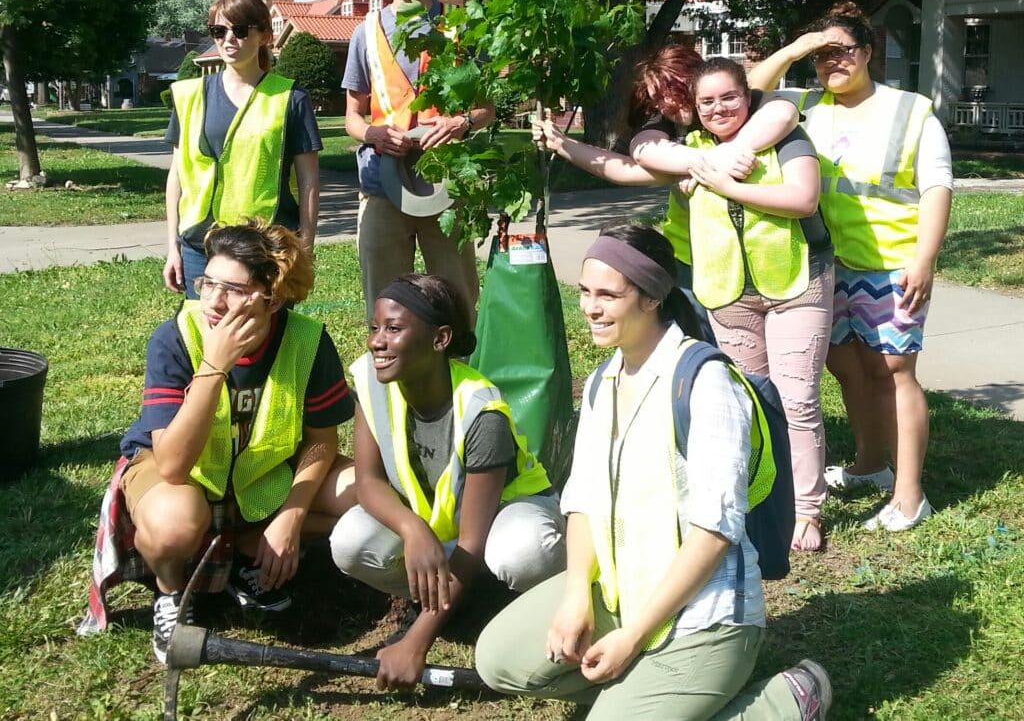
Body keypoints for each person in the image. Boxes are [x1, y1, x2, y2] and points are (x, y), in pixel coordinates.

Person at [475, 223, 831, 721]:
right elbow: (581, 500)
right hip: (621, 592)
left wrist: (632, 636)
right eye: (584, 292)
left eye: (608, 295)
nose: (590, 308)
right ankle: (645, 695)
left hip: (706, 619)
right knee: (498, 661)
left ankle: (784, 701)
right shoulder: (604, 379)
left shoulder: (706, 384)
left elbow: (713, 534)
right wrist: (578, 593)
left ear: (650, 298)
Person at [748, 2, 953, 532]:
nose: (831, 62)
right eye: (823, 55)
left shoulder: (909, 110)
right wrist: (797, 48)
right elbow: (746, 91)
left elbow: (937, 188)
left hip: (892, 264)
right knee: (847, 368)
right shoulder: (805, 105)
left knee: (893, 372)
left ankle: (909, 494)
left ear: (868, 52)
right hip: (825, 264)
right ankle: (870, 466)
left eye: (842, 51)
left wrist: (924, 260)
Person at [116, 220, 356, 662]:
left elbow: (322, 441)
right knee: (175, 521)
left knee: (364, 491)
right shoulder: (175, 337)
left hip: (260, 473)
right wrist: (213, 367)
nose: (212, 300)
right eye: (207, 282)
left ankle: (248, 554)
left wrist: (292, 516)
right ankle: (170, 594)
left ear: (274, 297)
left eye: (233, 289)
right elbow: (171, 465)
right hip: (184, 473)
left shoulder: (307, 340)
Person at [330, 273, 565, 691]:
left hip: (503, 523)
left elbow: (473, 545)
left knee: (524, 552)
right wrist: (412, 529)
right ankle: (451, 599)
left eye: (394, 329)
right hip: (438, 530)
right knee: (351, 540)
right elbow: (367, 481)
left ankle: (509, 601)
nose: (376, 342)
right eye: (375, 328)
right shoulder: (373, 380)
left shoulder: (480, 409)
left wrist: (416, 642)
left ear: (440, 340)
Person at [533, 44, 801, 344]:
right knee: (701, 347)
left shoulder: (738, 114)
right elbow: (631, 164)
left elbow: (783, 111)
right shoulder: (668, 126)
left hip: (760, 259)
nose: (665, 104)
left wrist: (722, 158)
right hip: (692, 260)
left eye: (670, 90)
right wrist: (561, 144)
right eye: (656, 97)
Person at [680, 57, 833, 552]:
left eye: (729, 96)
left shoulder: (784, 135)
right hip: (728, 290)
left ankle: (806, 509)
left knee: (797, 399)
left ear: (747, 96)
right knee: (749, 402)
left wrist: (729, 186)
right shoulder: (695, 151)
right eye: (707, 101)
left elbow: (804, 198)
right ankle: (758, 497)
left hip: (795, 282)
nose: (719, 108)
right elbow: (637, 160)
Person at [342, 0, 494, 321]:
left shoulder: (460, 26)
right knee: (384, 302)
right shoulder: (366, 33)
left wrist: (461, 122)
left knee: (458, 299)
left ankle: (455, 377)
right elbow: (352, 119)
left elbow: (486, 109)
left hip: (446, 186)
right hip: (382, 185)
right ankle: (392, 381)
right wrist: (373, 134)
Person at [163, 0, 323, 298]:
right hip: (200, 248)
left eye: (239, 30)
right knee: (207, 341)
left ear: (264, 35)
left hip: (266, 248)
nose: (228, 39)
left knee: (264, 341)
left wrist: (305, 249)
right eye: (218, 31)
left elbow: (310, 181)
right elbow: (176, 175)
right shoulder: (188, 96)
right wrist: (173, 246)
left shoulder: (291, 98)